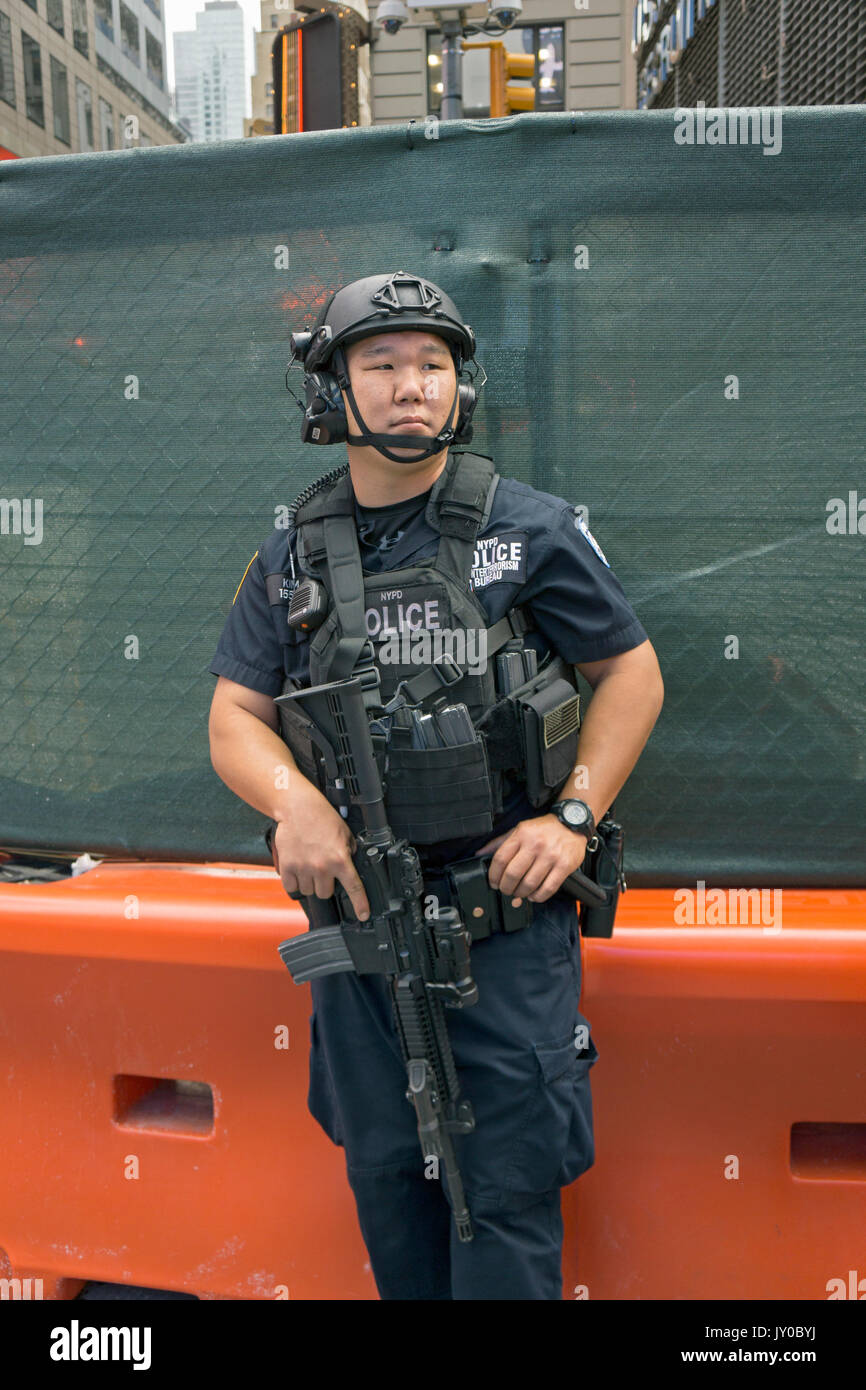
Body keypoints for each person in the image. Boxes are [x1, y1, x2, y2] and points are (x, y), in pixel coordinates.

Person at [208, 271, 664, 1300]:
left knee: (500, 1195)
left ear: (461, 386)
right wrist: (296, 802)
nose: (412, 386)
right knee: (384, 1175)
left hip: (499, 933)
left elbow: (630, 672)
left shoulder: (529, 529)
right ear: (333, 391)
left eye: (432, 365)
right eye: (382, 365)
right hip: (361, 938)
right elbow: (232, 719)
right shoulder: (290, 553)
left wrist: (573, 817)